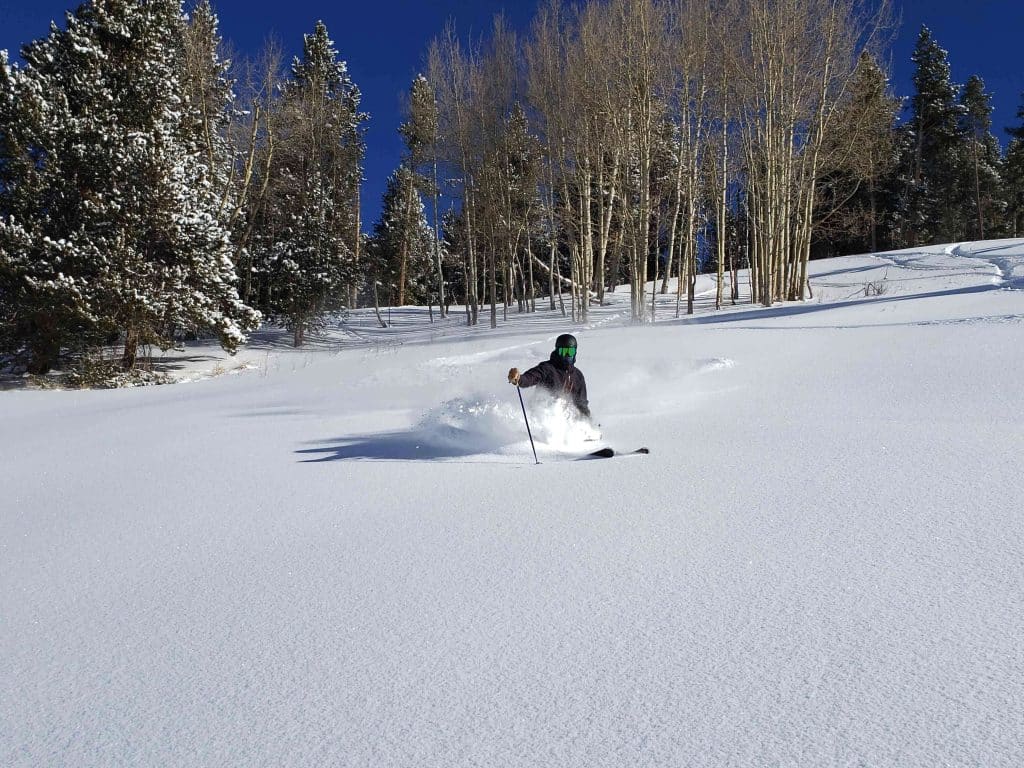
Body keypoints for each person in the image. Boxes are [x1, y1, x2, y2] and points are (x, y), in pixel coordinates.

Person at [508, 333, 591, 419]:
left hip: (565, 419)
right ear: (557, 351)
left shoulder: (578, 376)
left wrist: (589, 423)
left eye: (571, 351)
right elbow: (531, 377)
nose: (567, 355)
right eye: (564, 351)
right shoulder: (547, 368)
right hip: (542, 416)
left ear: (575, 352)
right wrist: (519, 379)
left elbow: (582, 404)